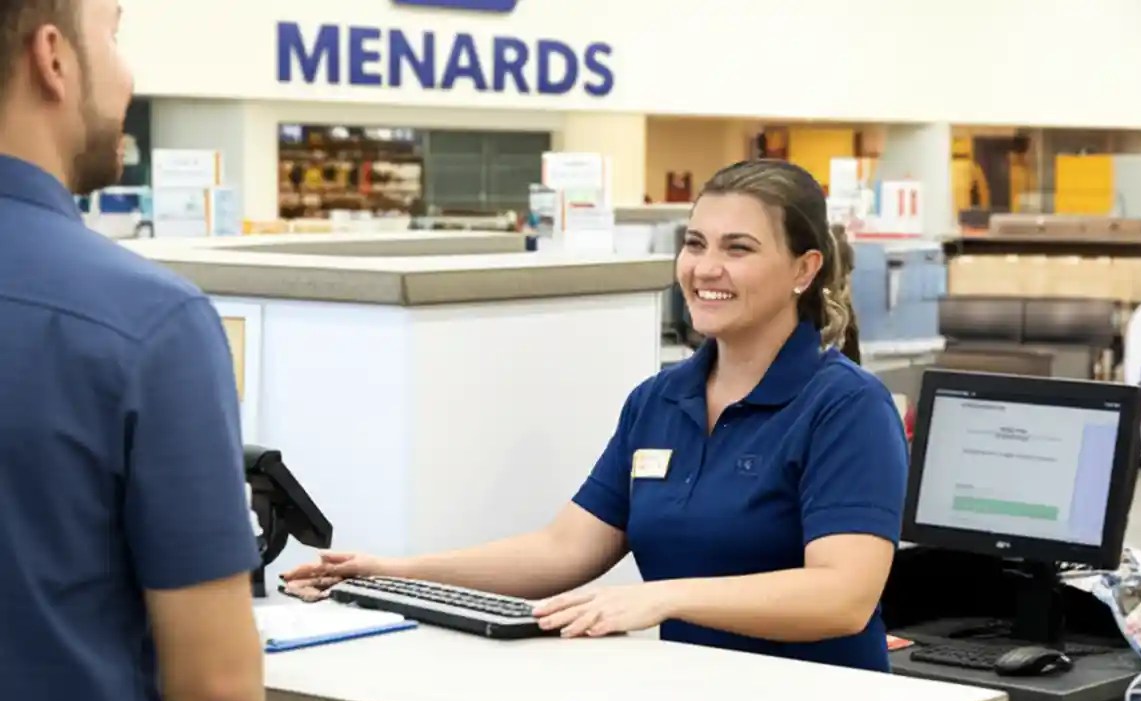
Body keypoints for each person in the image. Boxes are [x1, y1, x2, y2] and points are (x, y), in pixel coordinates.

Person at [284, 159, 909, 671]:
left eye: (738, 248)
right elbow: (563, 550)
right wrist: (393, 571)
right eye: (695, 244)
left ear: (805, 269)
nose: (705, 268)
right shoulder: (659, 400)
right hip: (692, 694)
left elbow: (842, 596)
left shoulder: (846, 406)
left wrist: (658, 598)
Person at [0, 1, 264, 701]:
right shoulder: (150, 325)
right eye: (114, 37)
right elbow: (217, 689)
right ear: (52, 59)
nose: (127, 75)